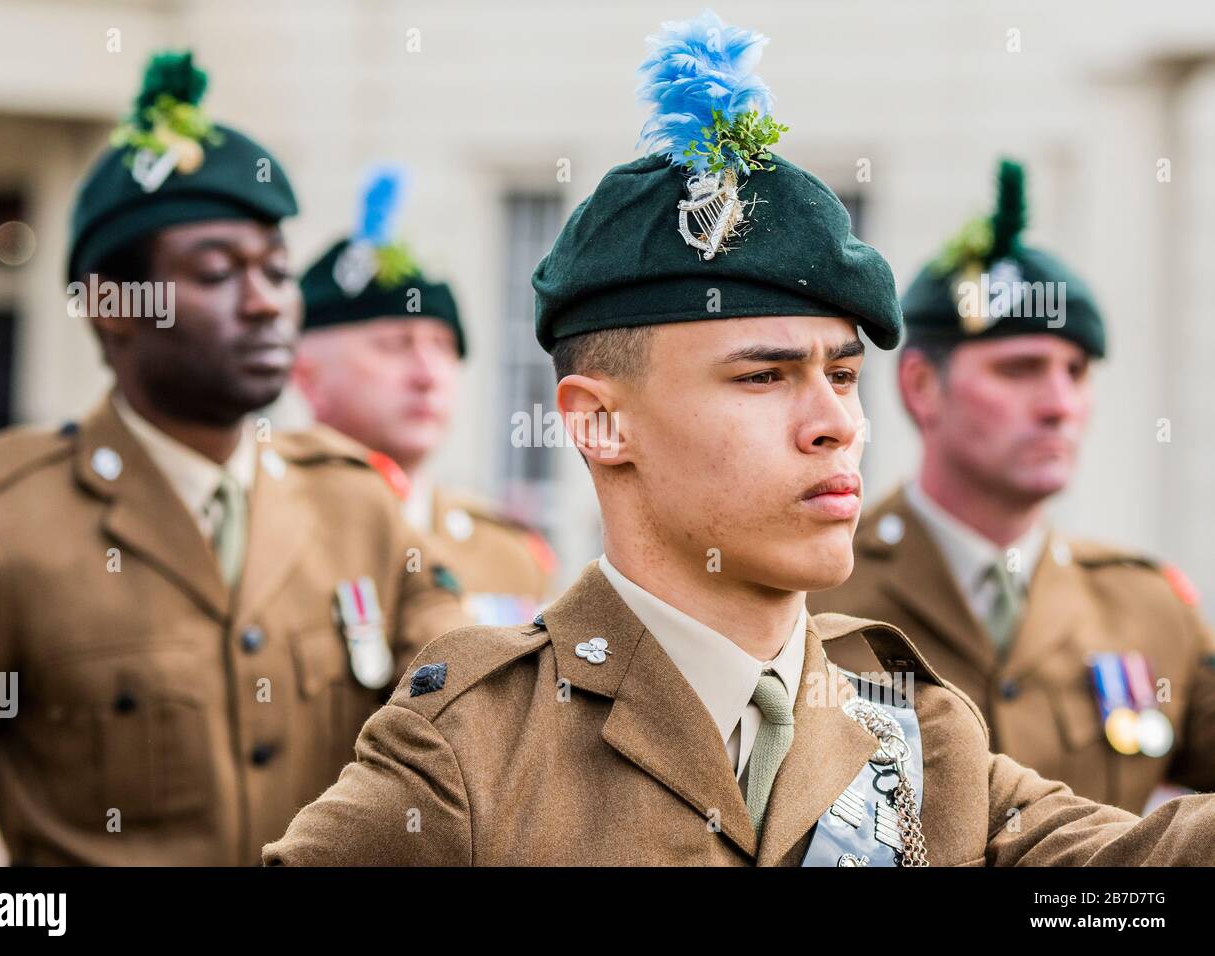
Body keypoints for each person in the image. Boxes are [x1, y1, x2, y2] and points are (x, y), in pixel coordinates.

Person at [263, 13, 1215, 866]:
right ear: (598, 421)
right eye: (764, 377)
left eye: (841, 375)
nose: (837, 421)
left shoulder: (920, 734)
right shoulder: (469, 749)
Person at [0, 51, 465, 865]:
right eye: (217, 272)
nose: (266, 300)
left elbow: (476, 713)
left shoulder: (359, 506)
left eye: (277, 270)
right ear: (111, 306)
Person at [809, 160, 1215, 814]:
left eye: (1076, 372)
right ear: (921, 387)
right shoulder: (814, 587)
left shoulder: (1146, 605)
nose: (1060, 404)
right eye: (1020, 369)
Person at [292, 169, 556, 626]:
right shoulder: (267, 528)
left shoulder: (509, 554)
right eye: (395, 344)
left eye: (442, 347)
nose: (428, 375)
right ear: (307, 376)